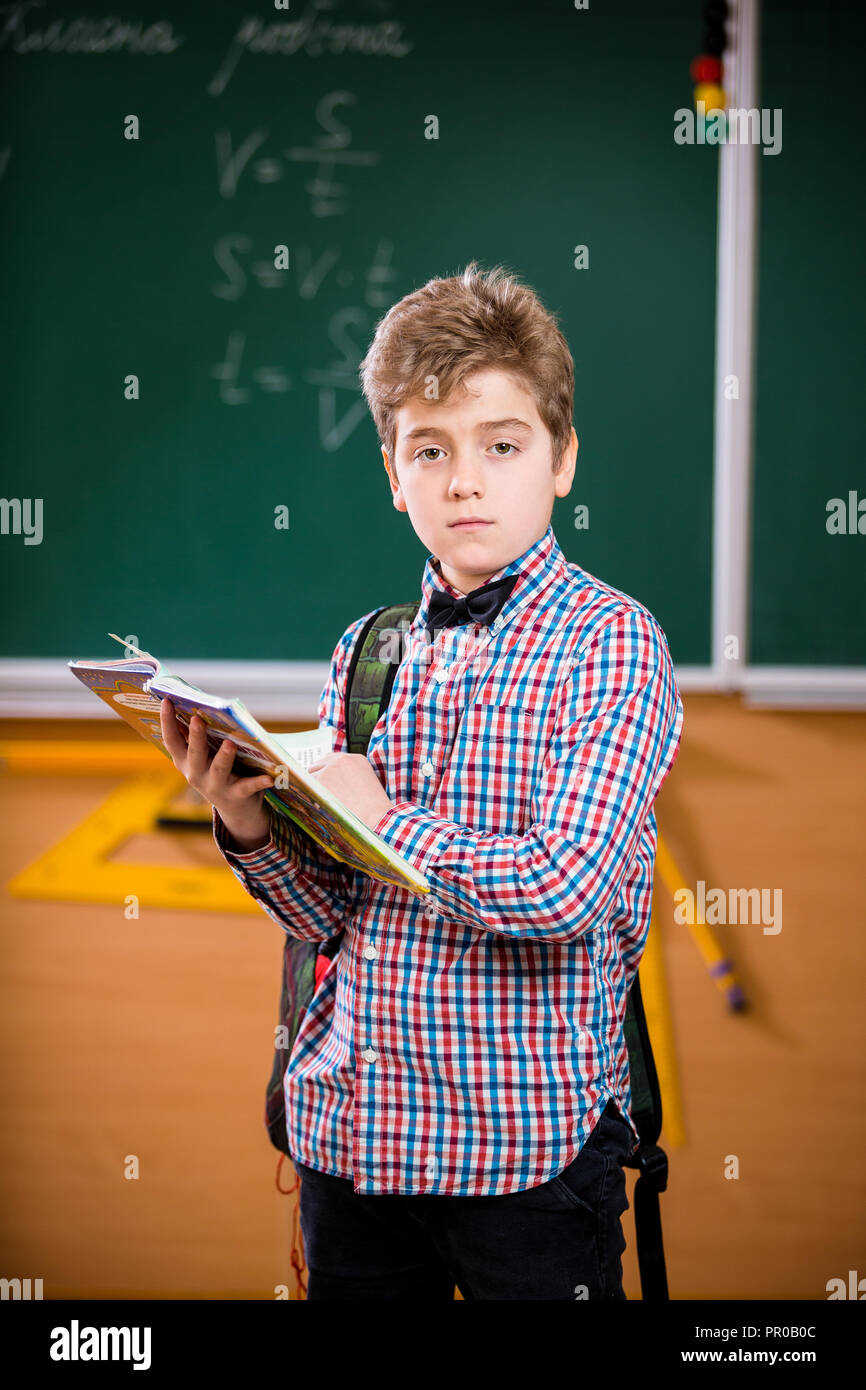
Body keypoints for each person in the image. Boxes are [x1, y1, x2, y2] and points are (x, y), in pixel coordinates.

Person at [160, 261, 684, 1300]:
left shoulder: (613, 647)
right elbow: (332, 919)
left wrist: (389, 820)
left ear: (561, 459)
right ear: (393, 476)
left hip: (523, 1169)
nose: (464, 482)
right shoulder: (368, 651)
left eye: (502, 445)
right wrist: (248, 823)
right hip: (352, 1150)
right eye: (428, 451)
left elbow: (561, 889)